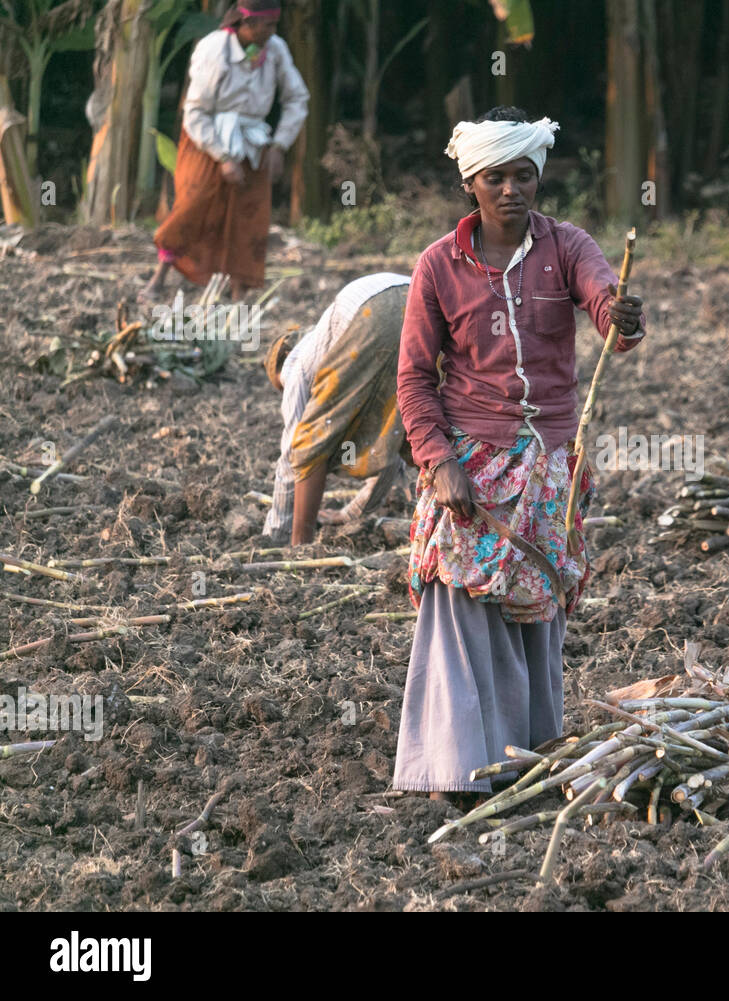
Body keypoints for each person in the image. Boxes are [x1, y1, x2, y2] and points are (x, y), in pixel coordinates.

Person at [393, 107, 647, 807]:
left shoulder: (567, 247)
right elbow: (414, 376)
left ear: (539, 178)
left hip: (548, 466)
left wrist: (621, 318)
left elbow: (604, 305)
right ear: (472, 183)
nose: (512, 189)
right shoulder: (439, 267)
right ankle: (460, 766)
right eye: (497, 177)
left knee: (535, 612)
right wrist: (437, 459)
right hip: (470, 463)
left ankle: (528, 760)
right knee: (461, 602)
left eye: (524, 176)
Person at [142, 2, 309, 302]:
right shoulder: (214, 49)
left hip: (253, 140)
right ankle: (158, 279)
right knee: (192, 207)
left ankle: (238, 295)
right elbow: (195, 112)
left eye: (274, 26)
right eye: (267, 26)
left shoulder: (276, 49)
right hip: (205, 138)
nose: (272, 32)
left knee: (250, 216)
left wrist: (280, 144)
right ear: (246, 21)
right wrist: (223, 157)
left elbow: (297, 97)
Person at [262, 273, 413, 547]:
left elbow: (292, 456)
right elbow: (392, 443)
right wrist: (351, 514)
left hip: (371, 309)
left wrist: (275, 534)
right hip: (418, 296)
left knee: (312, 441)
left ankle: (300, 544)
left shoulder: (296, 371)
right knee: (406, 419)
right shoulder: (328, 346)